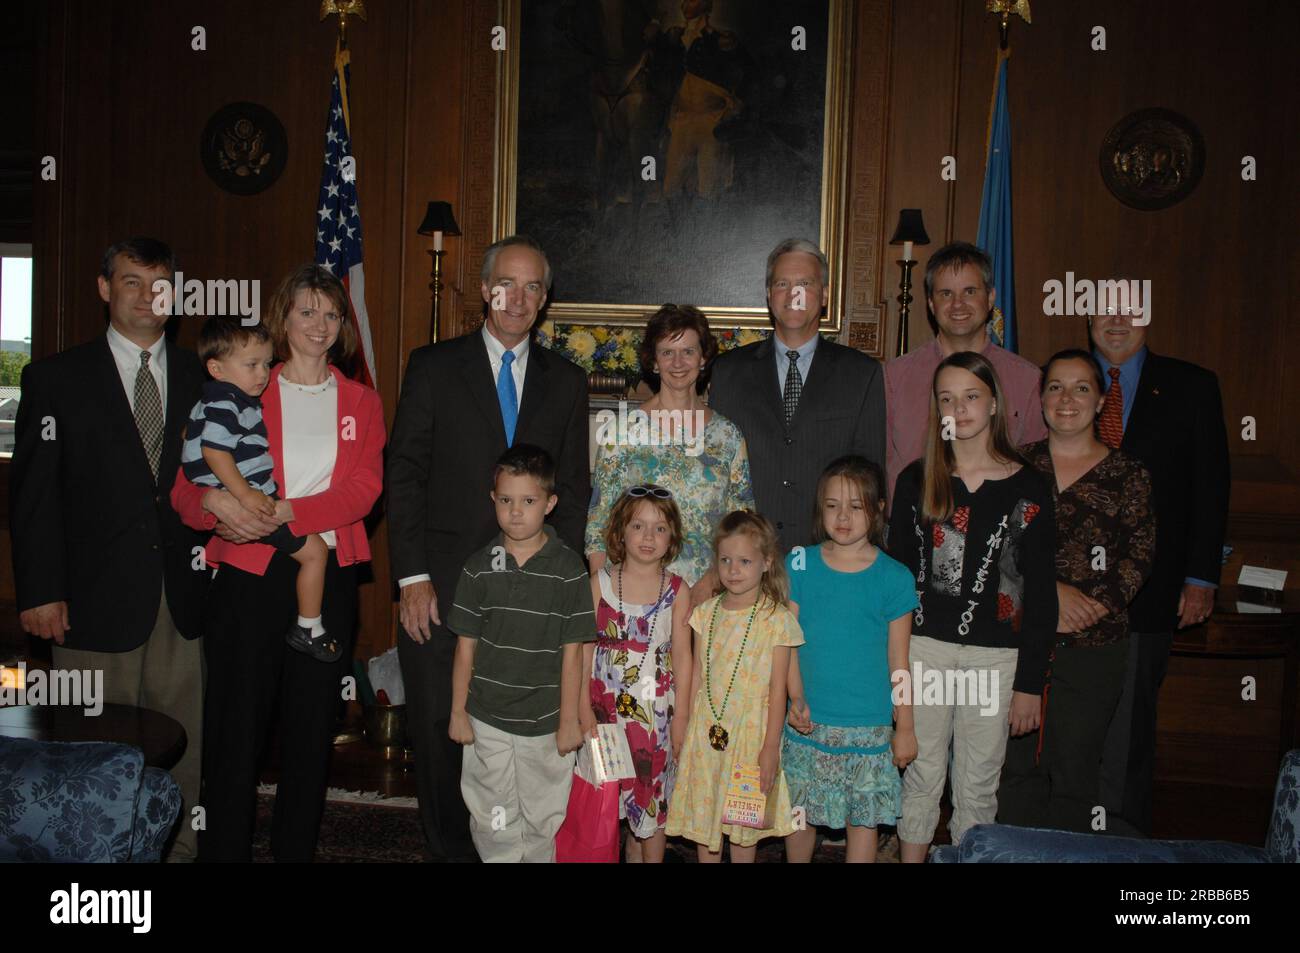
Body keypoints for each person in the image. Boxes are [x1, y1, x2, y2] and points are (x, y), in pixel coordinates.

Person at [171, 263, 386, 861]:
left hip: (329, 573)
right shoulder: (245, 385)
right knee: (236, 732)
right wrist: (217, 503)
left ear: (343, 324)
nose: (319, 325)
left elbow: (365, 490)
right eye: (306, 311)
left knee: (312, 733)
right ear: (283, 318)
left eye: (331, 313)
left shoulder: (362, 401)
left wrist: (279, 510)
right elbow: (186, 484)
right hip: (248, 577)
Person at [387, 234, 590, 862]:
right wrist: (411, 577)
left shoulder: (567, 381)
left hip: (532, 605)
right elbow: (405, 475)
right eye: (507, 283)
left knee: (523, 751)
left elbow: (576, 492)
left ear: (545, 297)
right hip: (441, 591)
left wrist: (565, 586)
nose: (519, 298)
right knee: (443, 733)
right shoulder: (433, 366)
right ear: (483, 289)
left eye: (534, 287)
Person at [10, 237, 208, 862]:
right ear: (104, 289)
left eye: (160, 283)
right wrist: (41, 591)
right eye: (131, 281)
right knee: (96, 745)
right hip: (90, 606)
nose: (148, 296)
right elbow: (34, 500)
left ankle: (175, 854)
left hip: (185, 598)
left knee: (186, 743)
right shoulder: (55, 380)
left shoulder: (208, 377)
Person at [887, 351, 1057, 861]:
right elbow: (894, 584)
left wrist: (1030, 685)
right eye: (946, 398)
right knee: (920, 779)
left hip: (995, 659)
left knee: (978, 789)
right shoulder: (917, 481)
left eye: (971, 396)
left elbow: (1042, 592)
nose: (958, 409)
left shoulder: (1028, 485)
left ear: (994, 403)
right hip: (925, 652)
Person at [1089, 283, 1230, 836]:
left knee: (1128, 725)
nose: (1118, 320)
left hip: (1154, 590)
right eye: (1106, 310)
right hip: (1068, 591)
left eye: (1132, 310)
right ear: (1088, 320)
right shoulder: (1064, 381)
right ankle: (1065, 831)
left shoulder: (1192, 386)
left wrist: (1201, 577)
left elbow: (1211, 486)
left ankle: (1121, 840)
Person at [997, 349, 1155, 833]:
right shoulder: (1012, 467)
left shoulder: (1128, 474)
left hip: (1095, 646)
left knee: (1076, 771)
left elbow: (1140, 555)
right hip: (1018, 644)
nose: (1067, 399)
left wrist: (1089, 608)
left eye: (1081, 388)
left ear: (1102, 399)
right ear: (1040, 397)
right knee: (1013, 769)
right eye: (1055, 387)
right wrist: (1051, 597)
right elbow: (996, 551)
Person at [446, 445, 595, 863]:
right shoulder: (478, 567)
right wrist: (458, 711)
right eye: (506, 500)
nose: (516, 512)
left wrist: (570, 721)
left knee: (543, 812)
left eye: (528, 501)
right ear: (492, 499)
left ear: (549, 504)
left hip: (546, 722)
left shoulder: (569, 570)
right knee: (493, 812)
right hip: (487, 717)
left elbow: (574, 654)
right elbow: (465, 647)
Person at [710, 238, 886, 553]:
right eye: (782, 284)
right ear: (768, 295)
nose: (794, 294)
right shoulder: (727, 372)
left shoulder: (861, 374)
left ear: (825, 295)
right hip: (746, 560)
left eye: (804, 283)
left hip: (829, 559)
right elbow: (714, 473)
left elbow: (869, 477)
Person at [782, 456, 917, 863]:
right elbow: (785, 643)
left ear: (877, 510)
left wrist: (905, 725)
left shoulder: (895, 577)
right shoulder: (799, 564)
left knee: (864, 820)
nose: (843, 517)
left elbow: (899, 660)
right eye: (832, 505)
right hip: (809, 719)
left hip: (869, 727)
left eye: (856, 506)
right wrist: (795, 699)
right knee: (801, 813)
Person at [180, 317, 334, 662]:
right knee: (316, 552)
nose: (263, 373)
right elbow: (214, 451)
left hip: (244, 496)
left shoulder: (224, 399)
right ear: (217, 368)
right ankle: (309, 627)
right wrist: (245, 496)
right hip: (242, 498)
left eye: (266, 363)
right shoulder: (226, 402)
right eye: (251, 365)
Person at [585, 303, 753, 605]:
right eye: (667, 352)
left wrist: (709, 585)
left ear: (703, 358)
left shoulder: (728, 437)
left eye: (688, 351)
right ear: (653, 361)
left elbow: (742, 524)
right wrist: (608, 599)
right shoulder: (622, 433)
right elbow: (598, 527)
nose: (678, 362)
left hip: (709, 597)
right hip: (635, 601)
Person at [665, 510, 804, 862]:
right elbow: (697, 672)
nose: (733, 569)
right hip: (707, 733)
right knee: (705, 819)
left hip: (750, 737)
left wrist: (771, 745)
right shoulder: (706, 613)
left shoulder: (777, 619)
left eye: (744, 561)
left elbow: (778, 690)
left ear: (766, 562)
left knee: (744, 830)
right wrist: (682, 721)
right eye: (725, 560)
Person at [885, 241, 1047, 511]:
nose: (957, 304)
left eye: (969, 291)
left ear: (991, 297)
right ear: (930, 303)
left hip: (999, 538)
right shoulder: (893, 377)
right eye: (946, 293)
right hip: (911, 536)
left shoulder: (1028, 380)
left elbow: (1038, 470)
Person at [580, 483, 693, 863]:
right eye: (638, 526)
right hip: (603, 718)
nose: (648, 537)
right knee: (604, 804)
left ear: (672, 537)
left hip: (654, 724)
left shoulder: (678, 591)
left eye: (660, 528)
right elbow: (581, 651)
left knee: (649, 809)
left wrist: (683, 721)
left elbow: (683, 657)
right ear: (619, 532)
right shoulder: (599, 584)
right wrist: (580, 709)